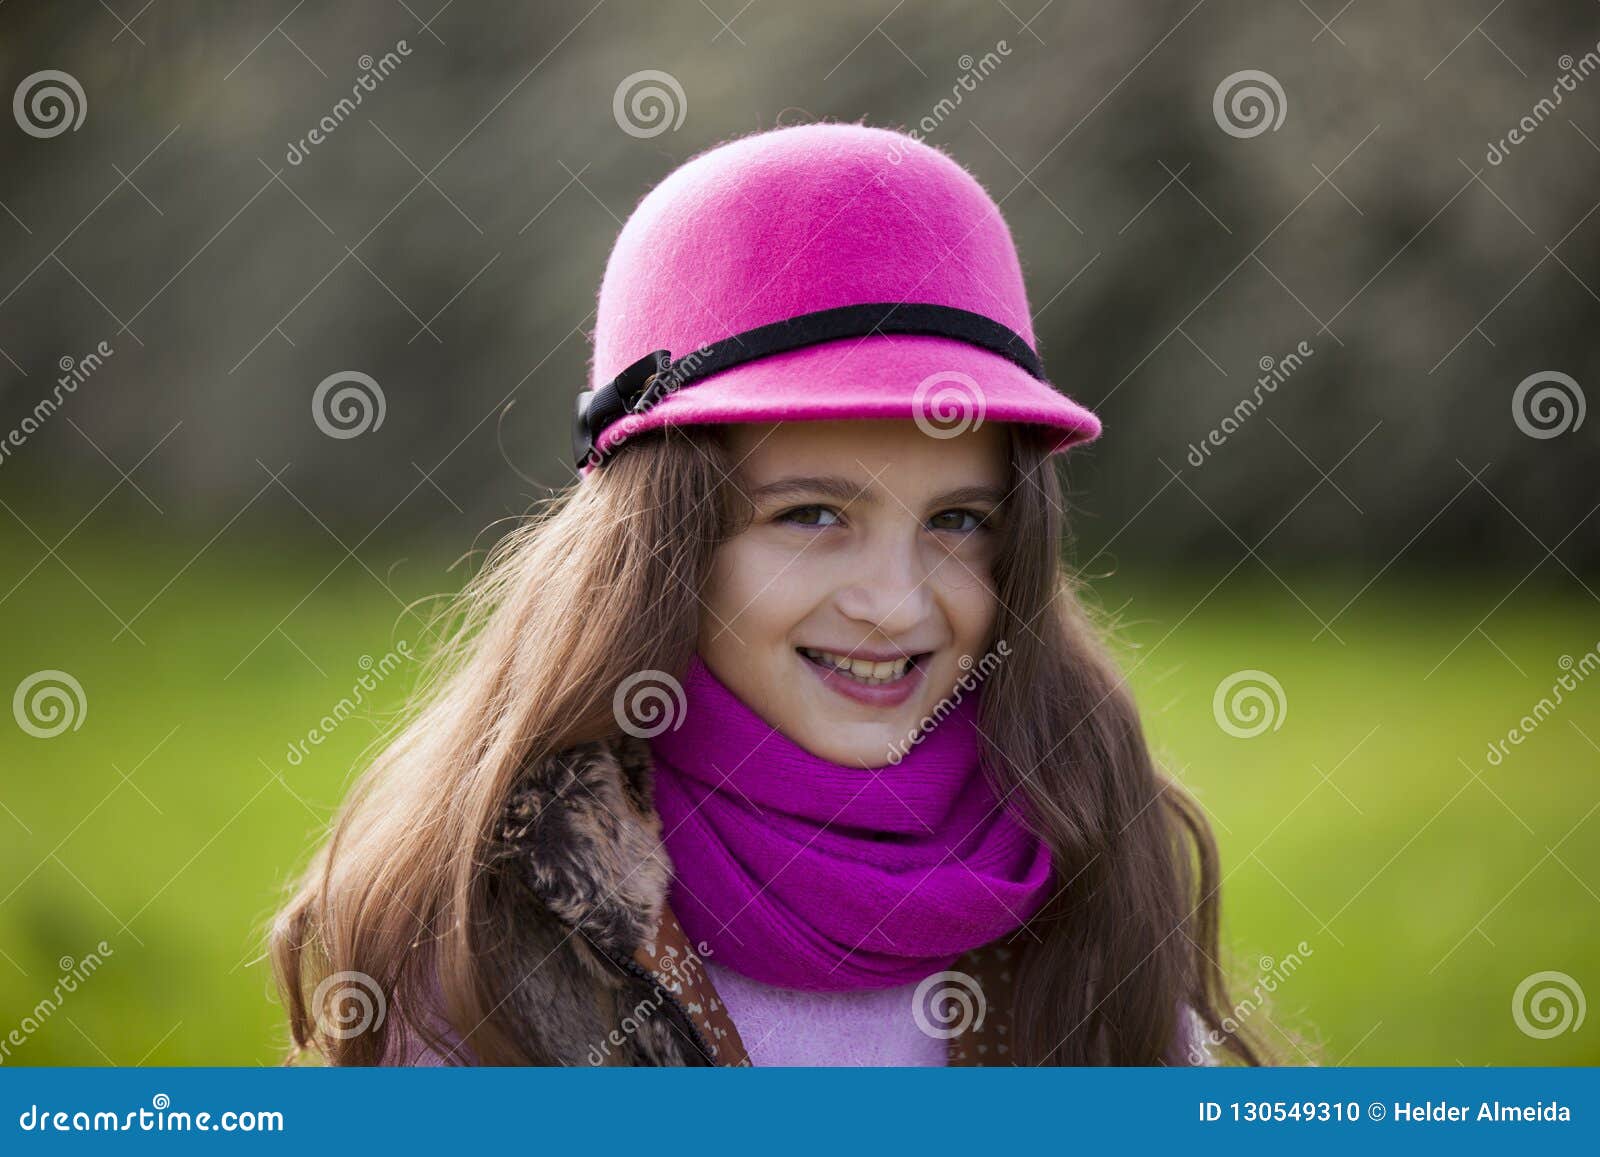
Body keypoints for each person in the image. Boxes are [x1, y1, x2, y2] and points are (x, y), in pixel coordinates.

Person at [270, 122, 1267, 1067]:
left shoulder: (1084, 844)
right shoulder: (493, 925)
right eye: (810, 515)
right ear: (666, 541)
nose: (891, 602)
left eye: (957, 520)